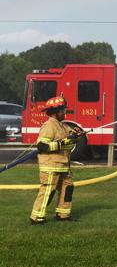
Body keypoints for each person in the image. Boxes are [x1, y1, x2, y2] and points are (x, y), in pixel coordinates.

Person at [29, 96, 81, 224]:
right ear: (55, 112)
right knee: (48, 191)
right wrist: (62, 143)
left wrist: (76, 135)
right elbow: (42, 146)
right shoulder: (49, 126)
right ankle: (37, 217)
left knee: (68, 188)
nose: (65, 112)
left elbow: (71, 138)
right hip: (50, 166)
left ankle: (63, 214)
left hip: (63, 165)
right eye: (62, 110)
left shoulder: (62, 126)